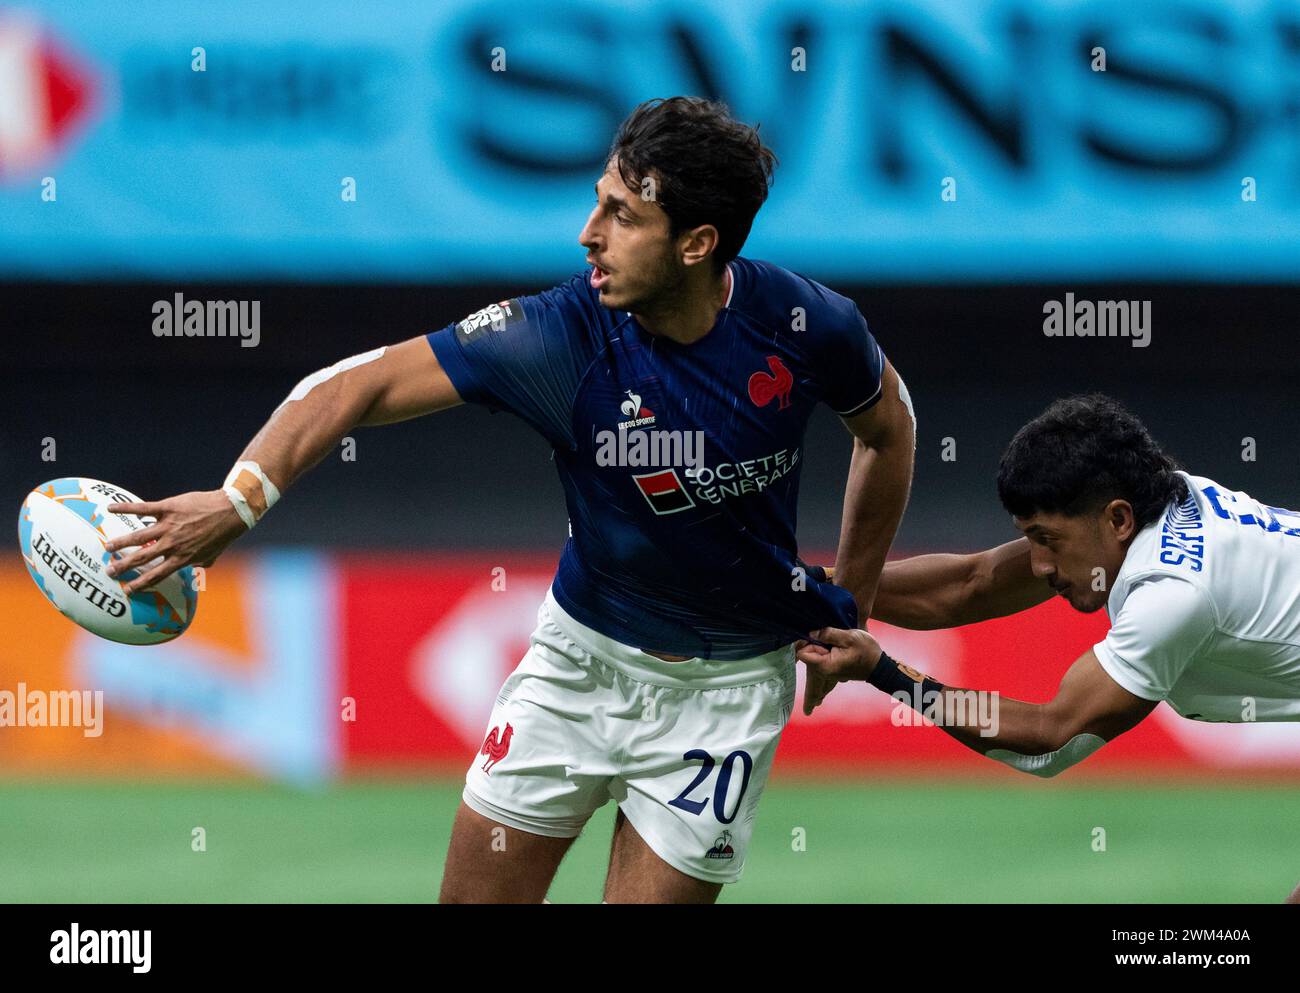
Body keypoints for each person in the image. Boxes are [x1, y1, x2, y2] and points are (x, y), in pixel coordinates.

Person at [101, 96, 916, 903]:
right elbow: (357, 381)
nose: (588, 234)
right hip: (579, 669)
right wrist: (238, 500)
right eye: (600, 201)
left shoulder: (808, 326)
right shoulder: (558, 336)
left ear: (698, 243)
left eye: (623, 216)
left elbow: (888, 430)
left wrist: (856, 600)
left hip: (728, 698)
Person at [798, 394, 1299, 901]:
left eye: (1046, 538)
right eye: (1029, 538)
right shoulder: (1153, 505)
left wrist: (884, 671)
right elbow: (974, 584)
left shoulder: (1173, 593)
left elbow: (1050, 738)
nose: (1038, 565)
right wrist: (813, 584)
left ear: (1118, 520)